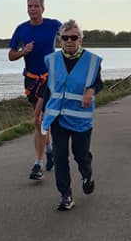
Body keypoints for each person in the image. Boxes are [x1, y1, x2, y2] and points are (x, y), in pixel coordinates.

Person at [34, 21, 103, 211]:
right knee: (60, 156)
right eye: (65, 38)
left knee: (80, 155)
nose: (69, 41)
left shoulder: (92, 60)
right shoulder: (52, 60)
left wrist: (91, 90)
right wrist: (40, 110)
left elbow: (98, 83)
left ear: (80, 39)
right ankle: (65, 195)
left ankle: (87, 175)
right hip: (57, 117)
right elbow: (49, 88)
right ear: (60, 40)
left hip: (80, 118)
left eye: (74, 37)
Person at [8, 0, 62, 181]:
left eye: (36, 6)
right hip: (31, 80)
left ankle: (37, 165)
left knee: (39, 119)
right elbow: (11, 55)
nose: (33, 9)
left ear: (43, 8)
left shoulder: (53, 25)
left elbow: (71, 38)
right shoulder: (22, 29)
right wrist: (24, 51)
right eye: (30, 6)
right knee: (40, 120)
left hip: (50, 78)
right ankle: (49, 150)